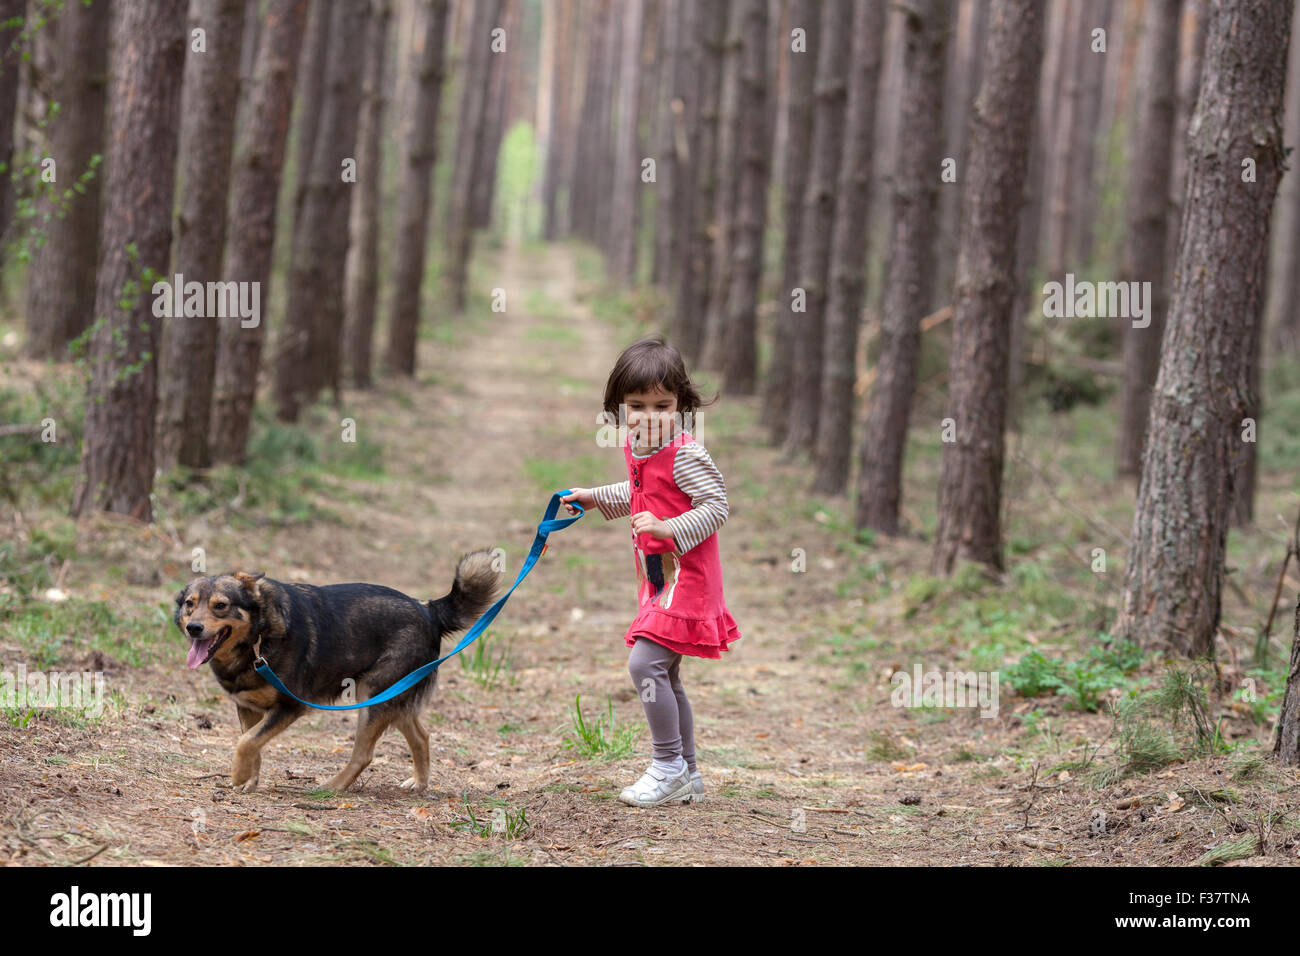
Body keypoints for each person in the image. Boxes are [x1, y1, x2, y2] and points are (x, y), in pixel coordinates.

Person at [562, 334, 741, 807]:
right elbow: (640, 492)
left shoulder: (686, 453)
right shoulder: (639, 447)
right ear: (620, 408)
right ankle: (689, 773)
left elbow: (717, 505)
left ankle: (666, 766)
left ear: (681, 404)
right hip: (659, 578)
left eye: (662, 405)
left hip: (689, 578)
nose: (649, 417)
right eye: (637, 406)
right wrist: (595, 495)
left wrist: (669, 529)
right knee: (668, 673)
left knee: (645, 664)